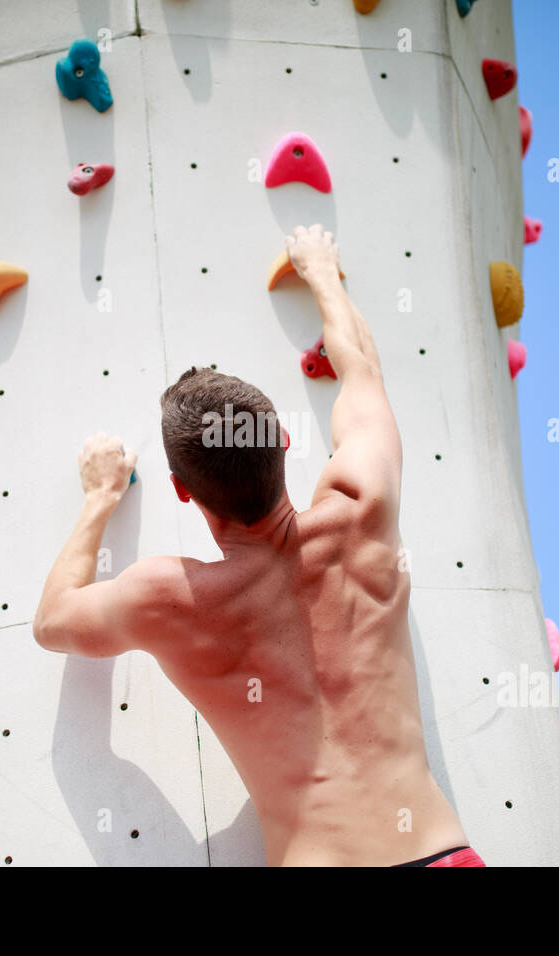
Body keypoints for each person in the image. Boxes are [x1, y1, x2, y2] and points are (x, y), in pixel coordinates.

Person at [33, 224, 483, 867]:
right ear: (286, 444)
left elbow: (54, 623)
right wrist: (321, 269)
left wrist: (100, 496)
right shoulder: (365, 507)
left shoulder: (174, 598)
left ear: (182, 491)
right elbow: (363, 372)